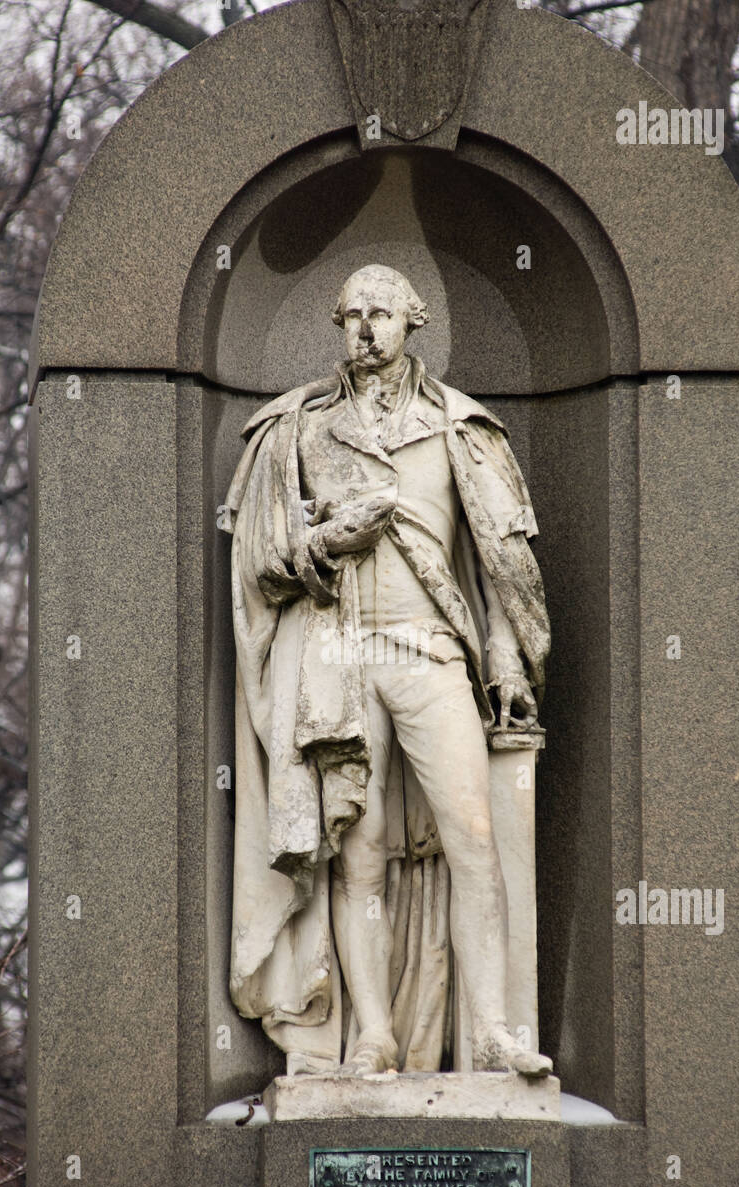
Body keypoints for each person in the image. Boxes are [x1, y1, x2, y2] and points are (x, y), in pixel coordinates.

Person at [223, 264, 551, 1078]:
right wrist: (331, 541)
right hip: (333, 657)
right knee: (356, 853)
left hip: (429, 648)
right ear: (338, 323)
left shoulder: (458, 426)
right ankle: (369, 1034)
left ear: (414, 322)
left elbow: (495, 560)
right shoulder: (295, 427)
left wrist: (507, 656)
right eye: (353, 314)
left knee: (474, 839)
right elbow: (257, 560)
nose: (366, 328)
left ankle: (490, 1029)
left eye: (382, 314)